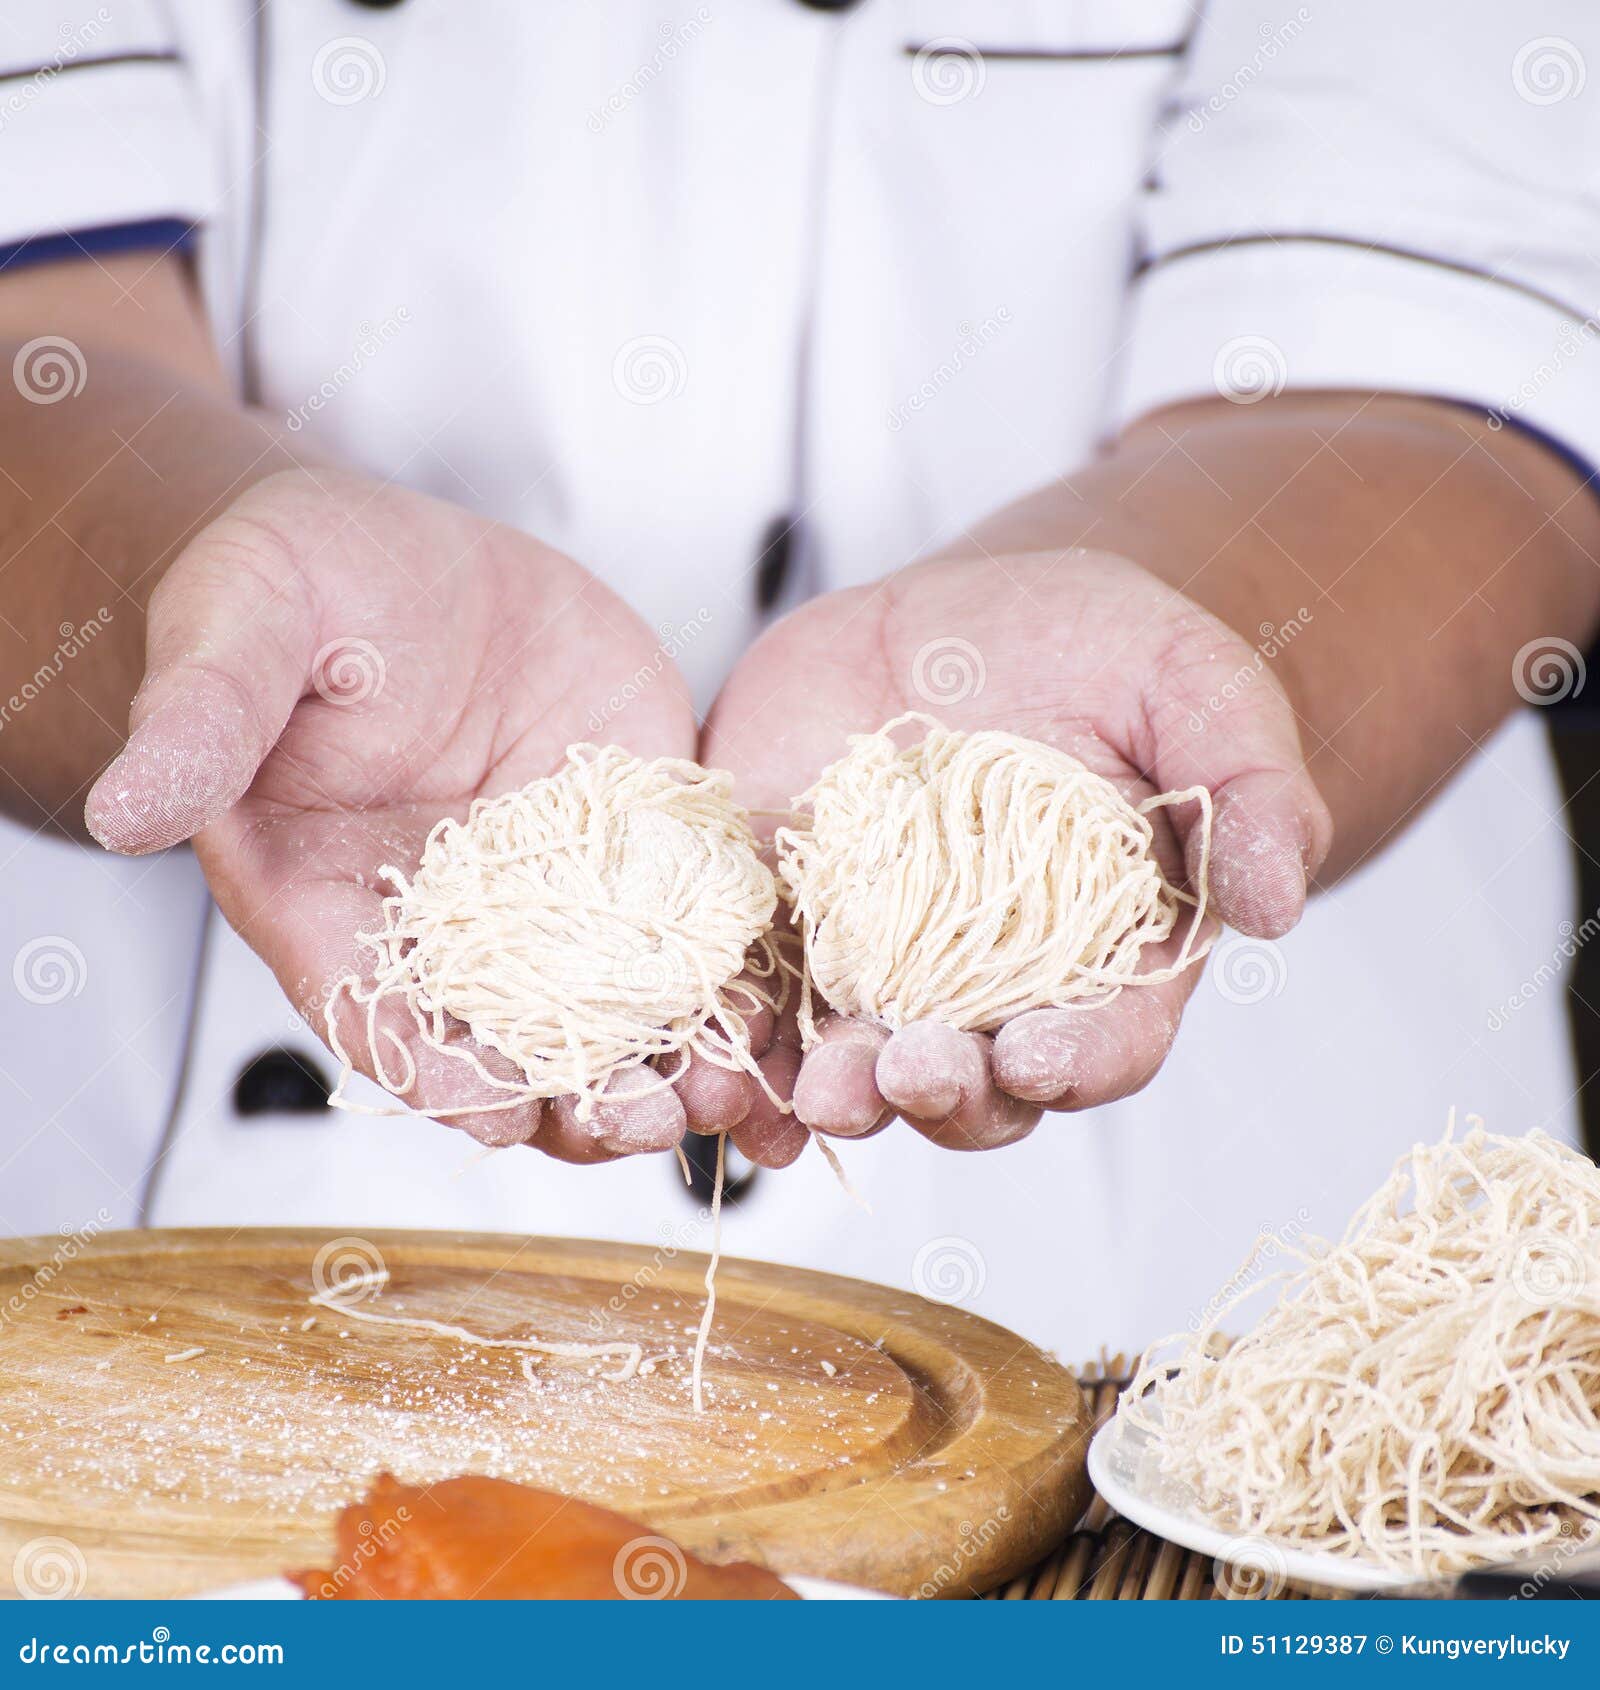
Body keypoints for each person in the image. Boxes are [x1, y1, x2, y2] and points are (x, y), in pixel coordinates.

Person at [1, 0, 1596, 1358]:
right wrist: (189, 589)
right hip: (171, 1245)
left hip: (1210, 1292)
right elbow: (38, 317)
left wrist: (1144, 711)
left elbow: (1453, 356)